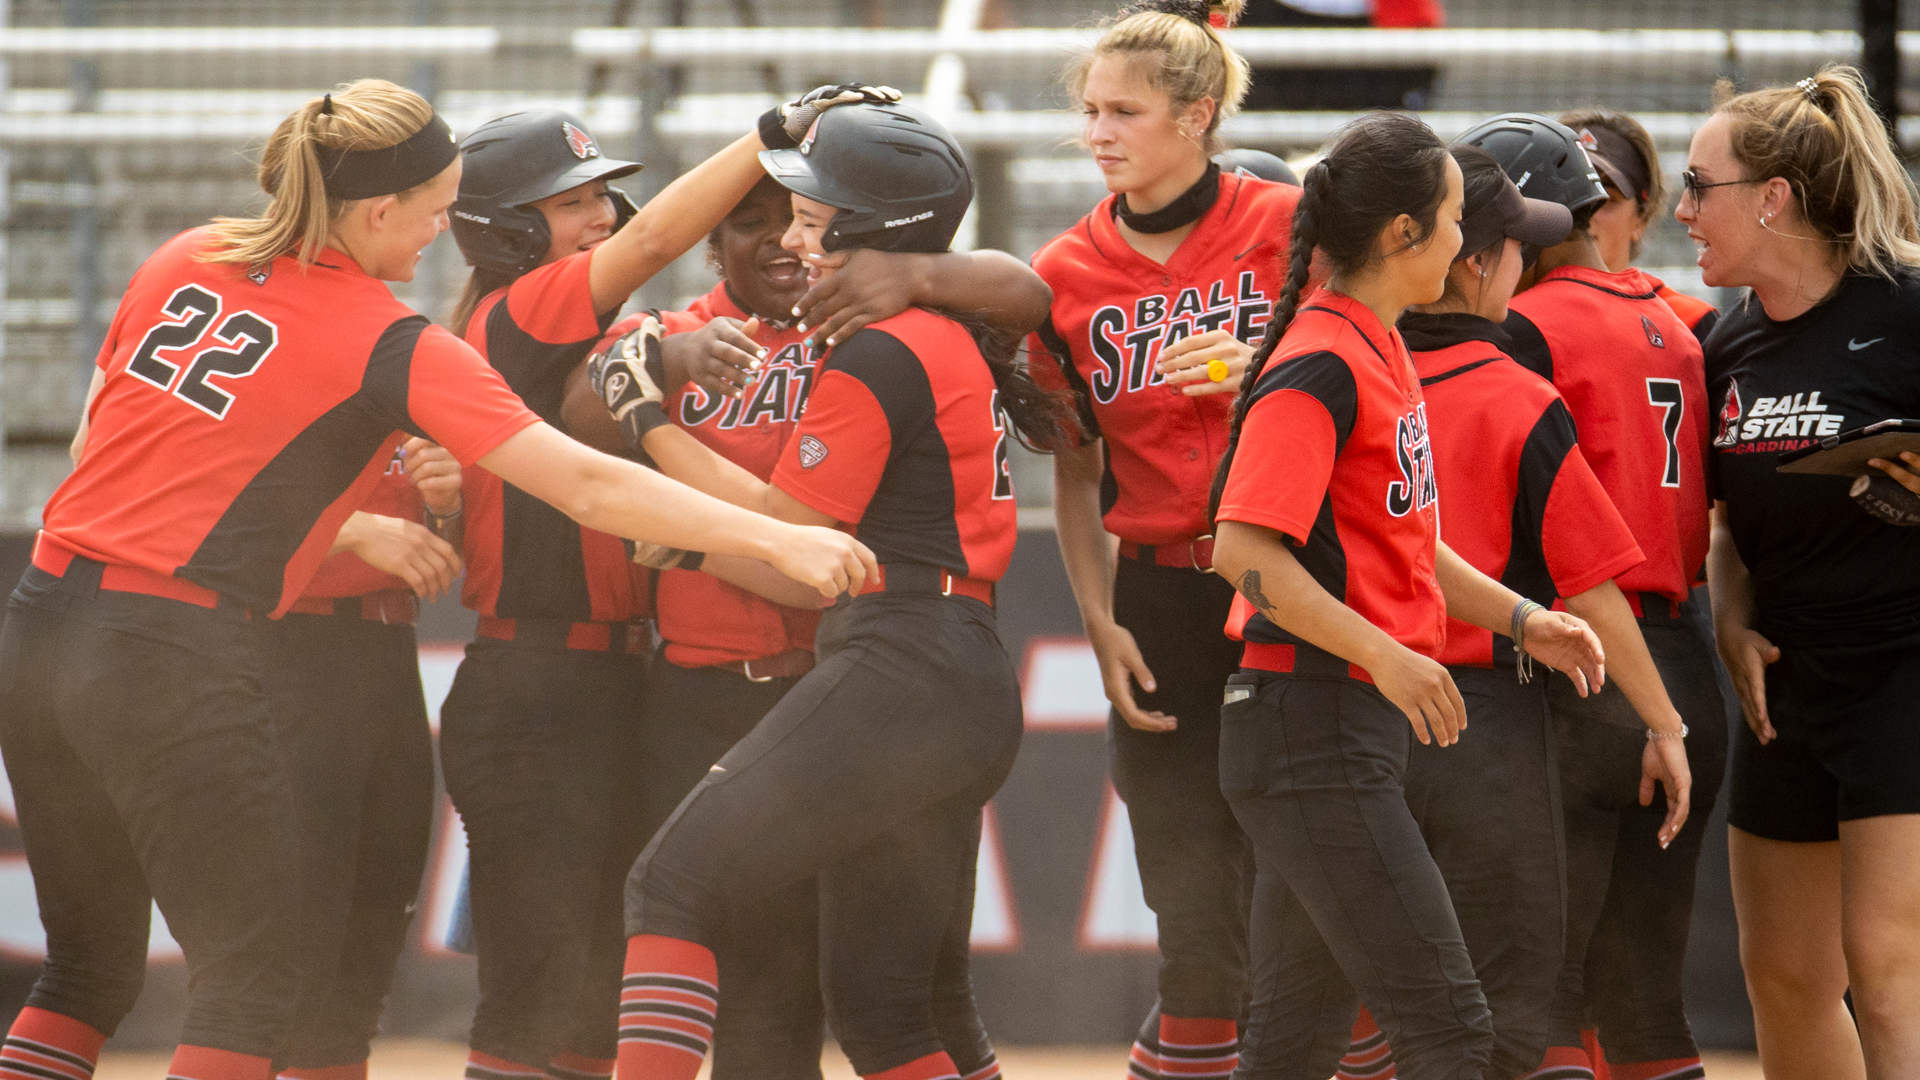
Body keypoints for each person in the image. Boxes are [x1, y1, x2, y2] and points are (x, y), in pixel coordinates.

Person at [0, 78, 868, 1080]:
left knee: (88, 970)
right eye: (431, 210)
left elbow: (94, 440)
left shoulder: (183, 256)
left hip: (44, 622)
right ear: (377, 211)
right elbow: (584, 483)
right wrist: (783, 544)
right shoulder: (384, 336)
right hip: (174, 648)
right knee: (259, 981)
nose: (437, 235)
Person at [608, 100, 1070, 1080]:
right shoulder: (940, 323)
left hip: (902, 660)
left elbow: (789, 539)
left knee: (673, 883)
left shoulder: (884, 346)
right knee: (890, 1013)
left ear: (876, 231)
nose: (794, 233)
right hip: (950, 665)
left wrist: (649, 422)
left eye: (817, 215)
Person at [437, 92, 891, 1080]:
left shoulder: (567, 328)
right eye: (571, 201)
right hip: (536, 684)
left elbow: (602, 380)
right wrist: (768, 137)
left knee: (586, 1003)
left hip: (609, 687)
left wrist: (663, 359)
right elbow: (614, 357)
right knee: (536, 993)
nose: (602, 214)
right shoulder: (513, 315)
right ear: (508, 228)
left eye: (603, 192)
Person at [1208, 110, 1607, 1080]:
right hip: (1312, 723)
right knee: (1448, 1029)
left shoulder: (1375, 344)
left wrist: (1521, 617)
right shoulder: (1323, 358)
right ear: (1403, 234)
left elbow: (1409, 542)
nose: (1469, 238)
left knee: (1291, 1047)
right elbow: (1241, 550)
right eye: (1456, 216)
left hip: (1328, 727)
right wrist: (1385, 653)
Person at [1334, 146, 1695, 1080]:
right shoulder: (1512, 393)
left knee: (1351, 1010)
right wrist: (1664, 720)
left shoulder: (1343, 371)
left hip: (1353, 704)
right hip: (1487, 718)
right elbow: (1593, 586)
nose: (1524, 267)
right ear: (1472, 260)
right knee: (1516, 1014)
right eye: (1508, 250)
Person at [1029, 5, 1301, 1075]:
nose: (1099, 131)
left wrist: (1267, 366)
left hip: (1296, 583)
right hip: (1162, 596)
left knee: (1311, 877)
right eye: (1090, 110)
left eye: (1124, 111)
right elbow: (1077, 470)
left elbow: (1392, 381)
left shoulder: (1290, 224)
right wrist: (1099, 624)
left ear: (1198, 116)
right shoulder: (1063, 273)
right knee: (1186, 886)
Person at [1457, 112, 1727, 1080]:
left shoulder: (1521, 328)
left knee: (1541, 1002)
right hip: (1686, 659)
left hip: (1572, 662)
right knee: (1649, 1005)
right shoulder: (1685, 320)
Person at [1688, 66, 1920, 1080]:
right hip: (1785, 675)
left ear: (1772, 197)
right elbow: (1727, 523)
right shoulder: (1724, 342)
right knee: (1784, 974)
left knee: (1886, 969)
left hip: (1902, 670)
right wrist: (1732, 619)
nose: (1684, 210)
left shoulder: (1906, 305)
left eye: (1702, 186)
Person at [1559, 109, 1720, 340]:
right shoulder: (1509, 313)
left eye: (1604, 200)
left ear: (1641, 219)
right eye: (1568, 194)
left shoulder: (1687, 323)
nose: (1583, 214)